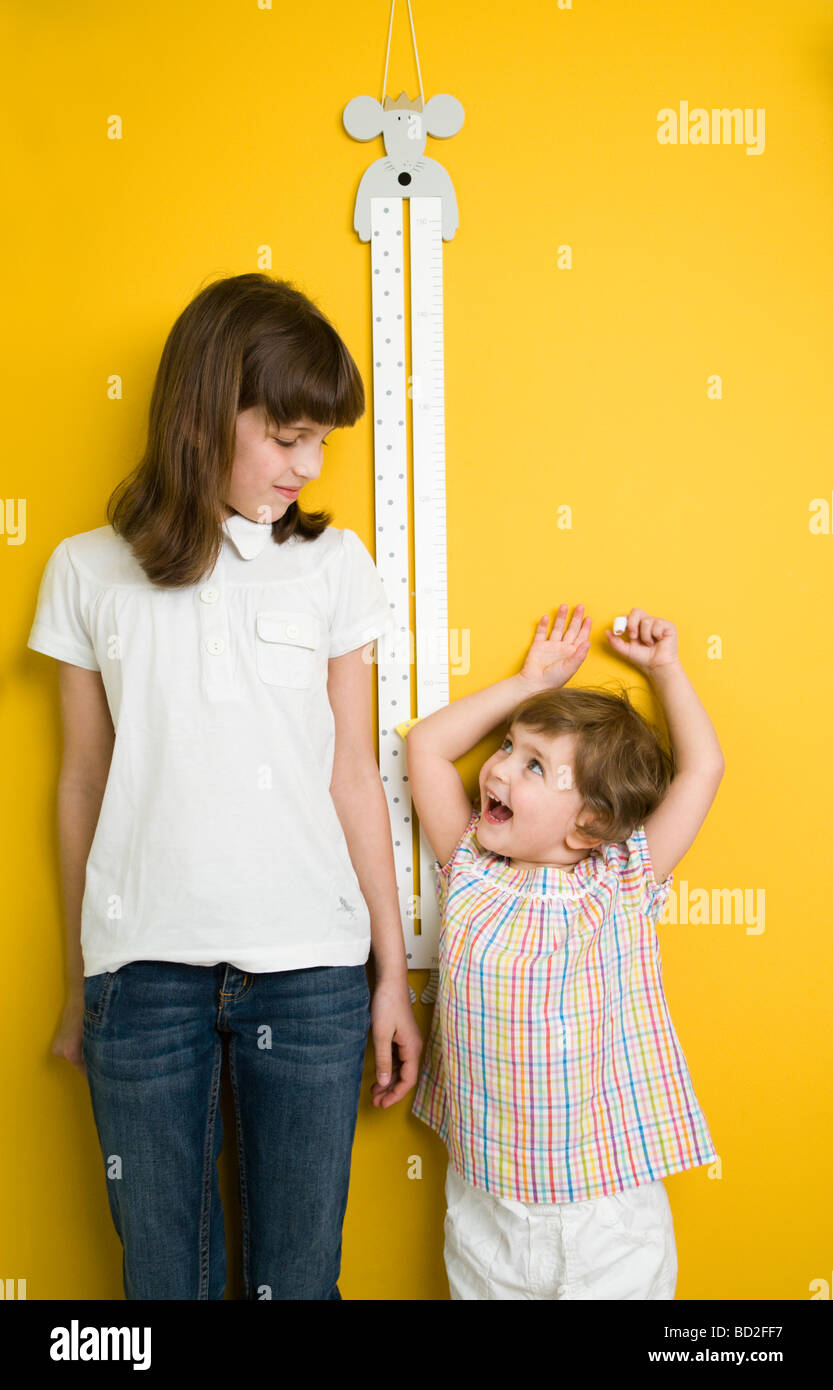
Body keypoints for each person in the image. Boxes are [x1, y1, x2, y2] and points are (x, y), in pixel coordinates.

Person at [28, 271, 422, 1300]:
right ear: (206, 411)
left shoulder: (333, 564)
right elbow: (83, 784)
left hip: (312, 970)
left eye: (321, 442)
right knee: (164, 1288)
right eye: (286, 434)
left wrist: (390, 973)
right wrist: (82, 979)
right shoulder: (85, 569)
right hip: (141, 977)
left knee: (297, 1284)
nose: (307, 464)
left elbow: (352, 773)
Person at [406, 602, 723, 1300]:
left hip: (606, 1210)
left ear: (591, 824)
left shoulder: (618, 881)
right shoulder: (468, 870)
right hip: (489, 1206)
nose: (496, 771)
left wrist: (666, 671)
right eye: (505, 749)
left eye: (533, 766)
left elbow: (701, 770)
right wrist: (527, 685)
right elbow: (425, 746)